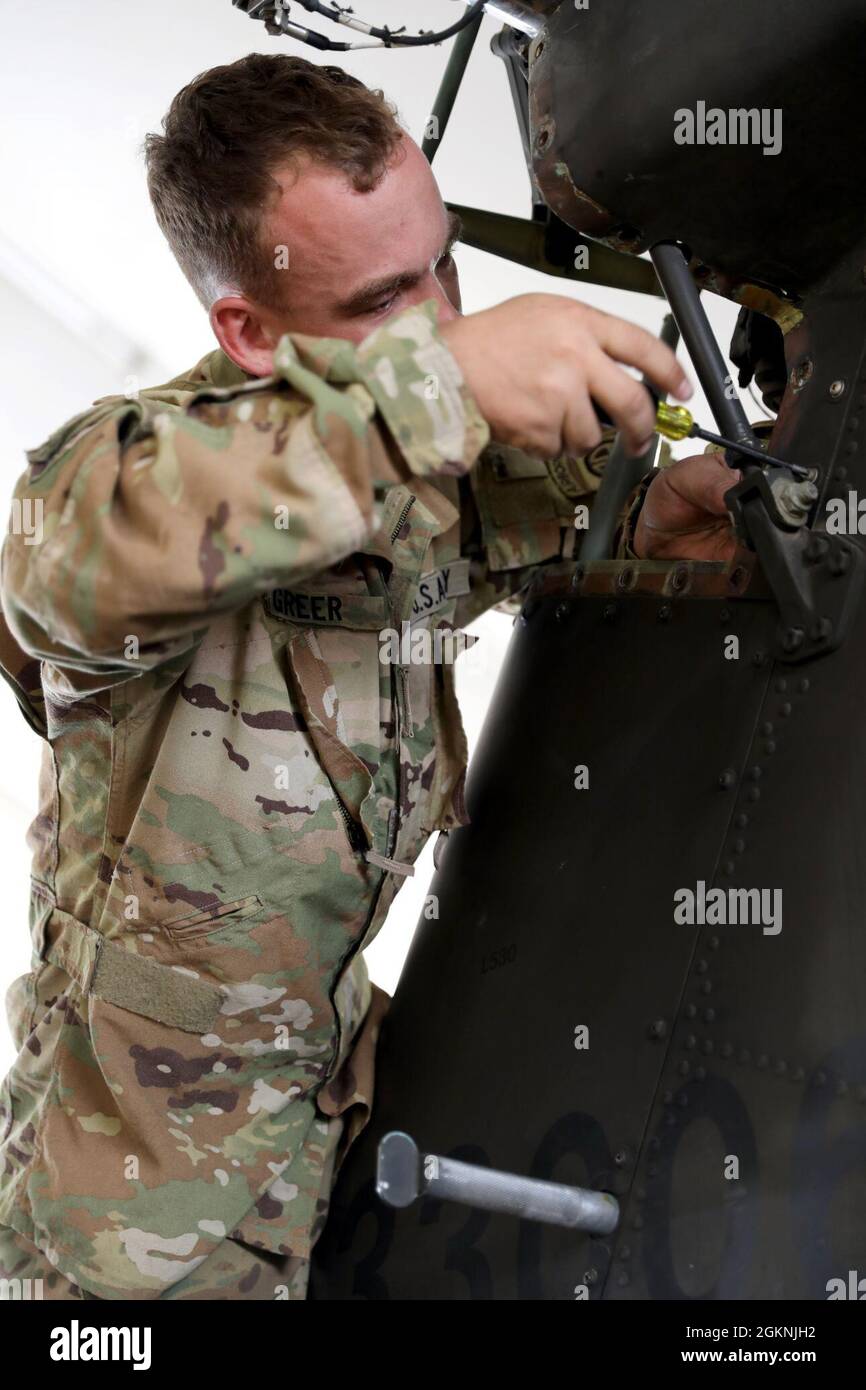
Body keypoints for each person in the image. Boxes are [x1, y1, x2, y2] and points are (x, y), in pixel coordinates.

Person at [0, 53, 737, 1301]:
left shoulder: (422, 472)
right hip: (117, 1252)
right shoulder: (134, 483)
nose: (443, 319)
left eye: (442, 263)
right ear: (246, 327)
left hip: (317, 1172)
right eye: (386, 297)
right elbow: (82, 553)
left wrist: (650, 520)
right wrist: (438, 389)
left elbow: (507, 525)